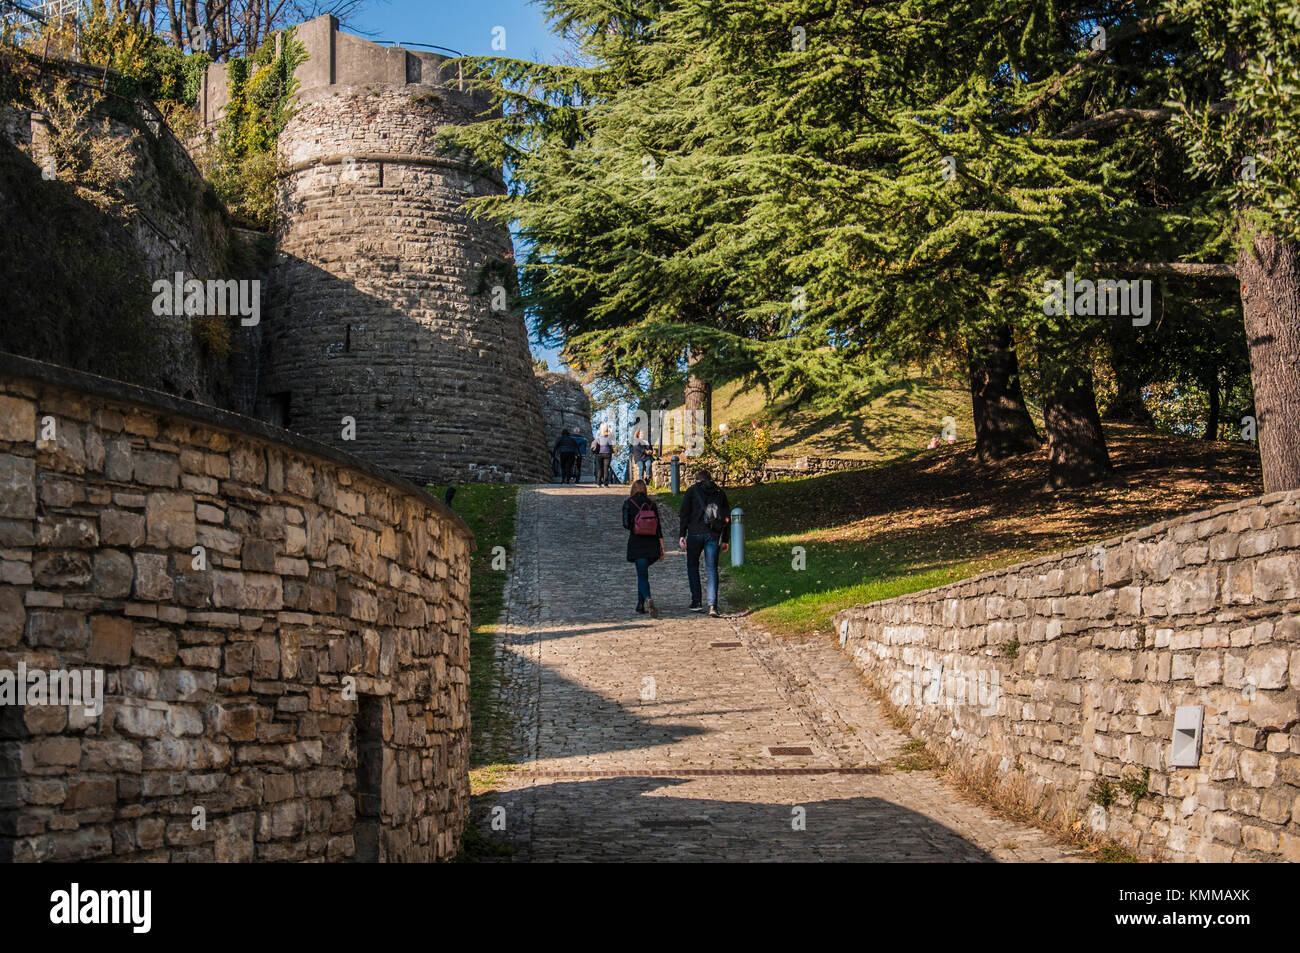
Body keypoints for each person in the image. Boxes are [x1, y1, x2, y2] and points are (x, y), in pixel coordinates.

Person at [678, 468, 730, 617]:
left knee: (692, 566)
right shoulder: (719, 493)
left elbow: (684, 514)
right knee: (712, 569)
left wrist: (682, 535)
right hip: (713, 535)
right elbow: (726, 517)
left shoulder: (691, 491)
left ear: (697, 480)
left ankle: (696, 601)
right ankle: (712, 604)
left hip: (694, 534)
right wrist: (725, 539)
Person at [623, 479, 664, 617]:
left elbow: (626, 524)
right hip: (652, 544)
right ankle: (640, 604)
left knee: (642, 575)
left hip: (637, 543)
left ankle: (647, 598)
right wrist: (662, 547)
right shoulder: (652, 504)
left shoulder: (629, 503)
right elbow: (658, 527)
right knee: (643, 574)